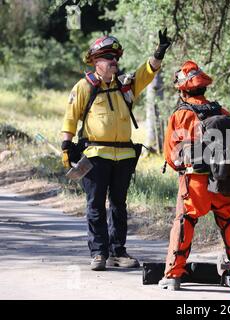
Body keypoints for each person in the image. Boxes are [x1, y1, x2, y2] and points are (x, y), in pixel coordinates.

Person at [60, 30, 172, 271]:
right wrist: (66, 147)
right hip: (94, 156)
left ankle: (117, 252)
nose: (114, 62)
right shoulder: (84, 87)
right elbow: (70, 119)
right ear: (96, 62)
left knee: (119, 205)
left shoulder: (126, 87)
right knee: (96, 205)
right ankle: (99, 253)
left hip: (123, 156)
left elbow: (146, 73)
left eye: (116, 58)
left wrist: (158, 53)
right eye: (108, 57)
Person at [158, 60, 230, 290]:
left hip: (195, 180)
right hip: (224, 178)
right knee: (229, 222)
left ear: (182, 89)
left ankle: (173, 275)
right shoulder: (221, 111)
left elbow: (172, 155)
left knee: (185, 221)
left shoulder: (180, 115)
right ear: (203, 86)